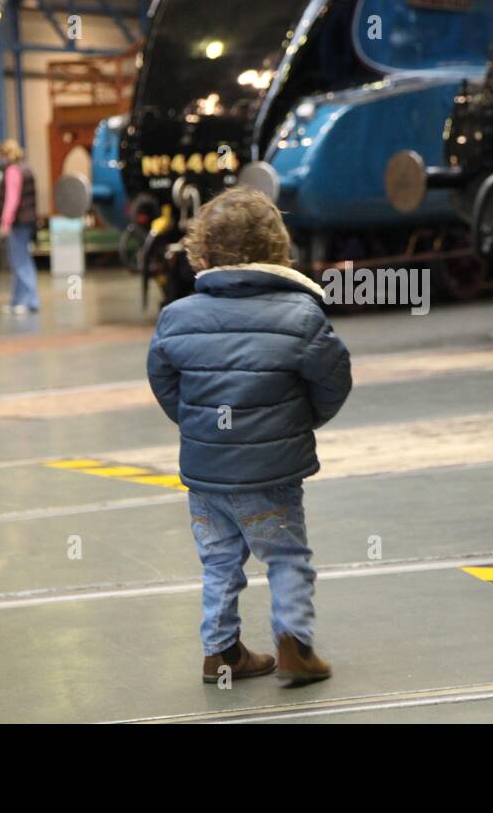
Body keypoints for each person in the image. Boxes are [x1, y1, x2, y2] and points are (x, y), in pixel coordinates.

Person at [146, 188, 352, 687]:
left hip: (206, 472)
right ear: (277, 248)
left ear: (204, 251)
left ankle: (220, 653)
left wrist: (200, 425)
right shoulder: (300, 316)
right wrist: (295, 422)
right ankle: (294, 645)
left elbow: (164, 382)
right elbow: (334, 380)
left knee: (219, 561)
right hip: (270, 474)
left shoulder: (176, 316)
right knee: (285, 556)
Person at [0, 139, 40, 314]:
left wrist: (6, 222)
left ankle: (30, 300)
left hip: (18, 223)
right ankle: (17, 300)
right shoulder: (26, 169)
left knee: (21, 262)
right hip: (28, 221)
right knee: (18, 260)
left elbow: (11, 200)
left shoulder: (12, 171)